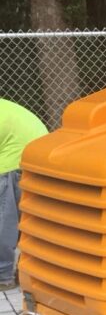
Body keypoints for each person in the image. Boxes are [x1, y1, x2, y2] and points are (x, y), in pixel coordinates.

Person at [0, 99, 47, 290]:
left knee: (4, 221)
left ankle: (3, 276)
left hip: (14, 163)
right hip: (37, 160)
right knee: (30, 222)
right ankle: (30, 271)